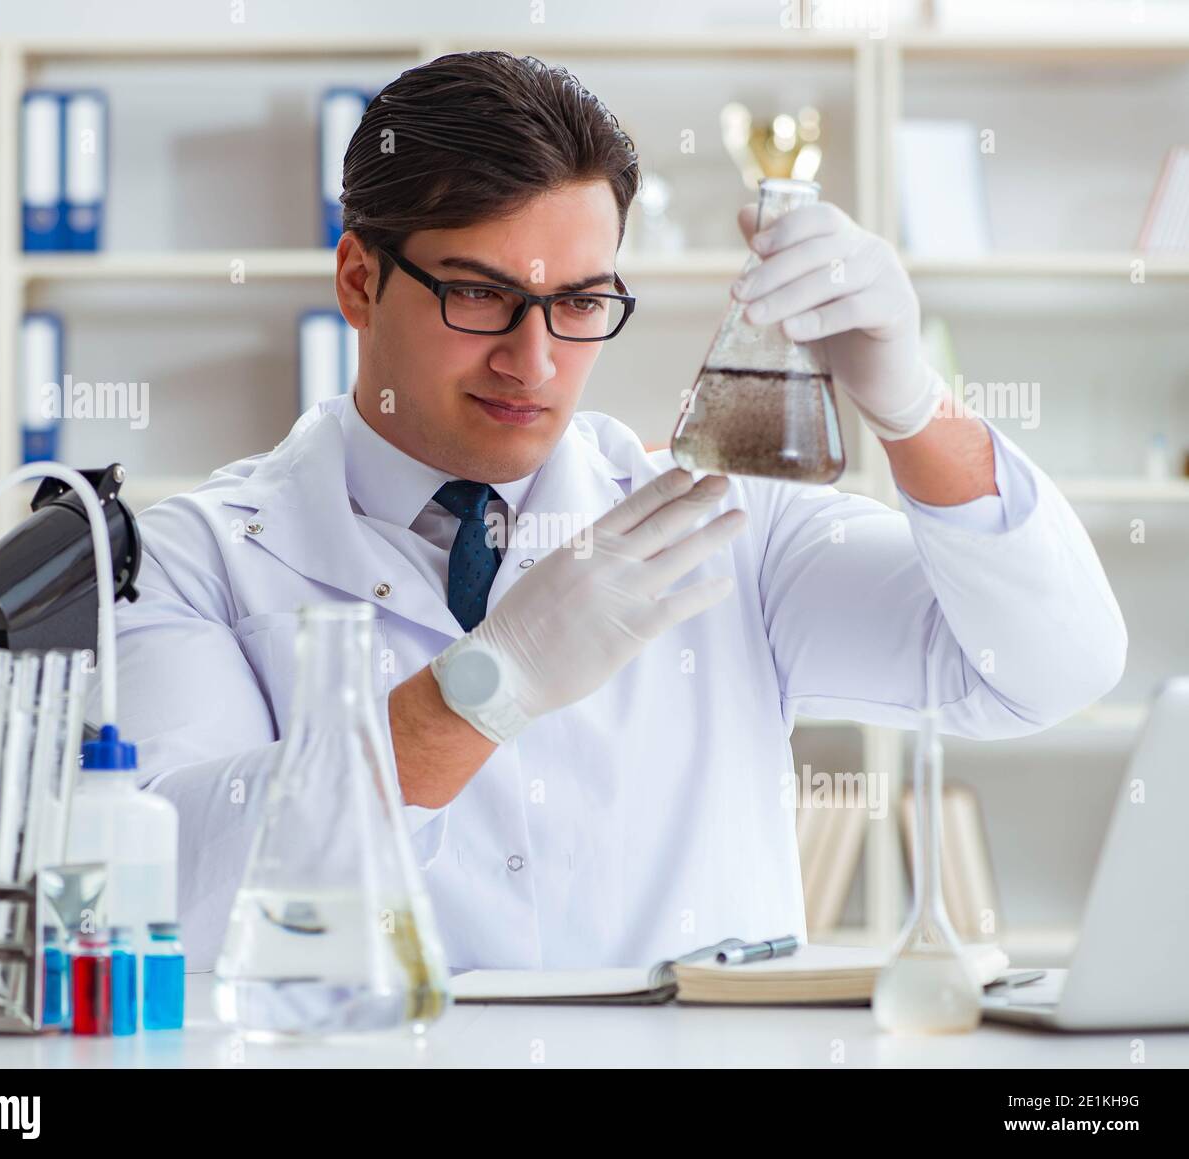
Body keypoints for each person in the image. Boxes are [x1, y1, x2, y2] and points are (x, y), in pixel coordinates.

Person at [97, 51, 1126, 970]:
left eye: (580, 303)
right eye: (478, 294)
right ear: (360, 280)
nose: (532, 359)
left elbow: (1049, 669)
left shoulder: (728, 523)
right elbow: (165, 897)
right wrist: (478, 693)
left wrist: (912, 406)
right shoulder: (194, 558)